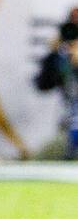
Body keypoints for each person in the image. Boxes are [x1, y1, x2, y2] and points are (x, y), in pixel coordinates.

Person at [33, 12, 78, 159]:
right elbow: (43, 84)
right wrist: (54, 55)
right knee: (44, 157)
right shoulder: (63, 58)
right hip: (70, 132)